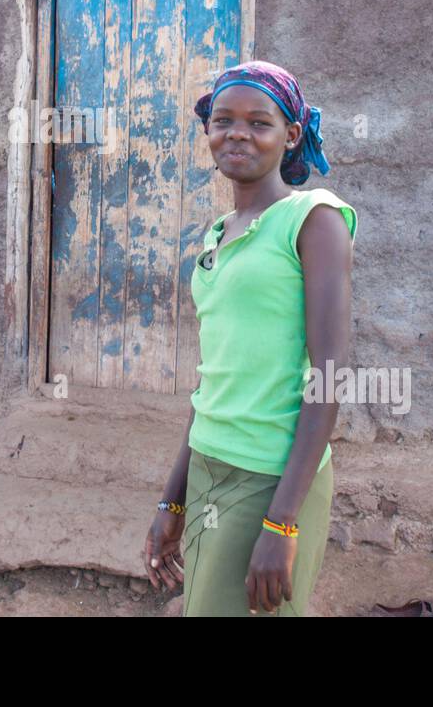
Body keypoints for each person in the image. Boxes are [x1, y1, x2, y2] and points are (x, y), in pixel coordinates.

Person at [143, 60, 356, 616]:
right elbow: (214, 380)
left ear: (291, 136)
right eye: (223, 119)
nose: (237, 133)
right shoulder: (218, 235)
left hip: (272, 477)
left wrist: (281, 520)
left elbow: (329, 375)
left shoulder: (313, 219)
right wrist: (174, 497)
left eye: (259, 122)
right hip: (210, 466)